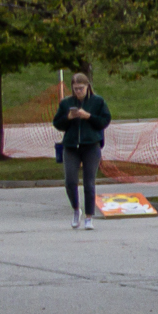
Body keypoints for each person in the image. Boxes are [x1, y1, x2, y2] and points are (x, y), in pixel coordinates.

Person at [52, 71, 110, 230]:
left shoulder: (97, 102)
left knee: (89, 183)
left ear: (87, 87)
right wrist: (68, 118)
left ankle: (89, 217)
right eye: (76, 88)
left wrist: (88, 116)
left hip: (91, 146)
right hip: (71, 147)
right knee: (70, 181)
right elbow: (57, 123)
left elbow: (105, 120)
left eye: (81, 88)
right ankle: (76, 209)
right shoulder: (66, 103)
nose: (78, 91)